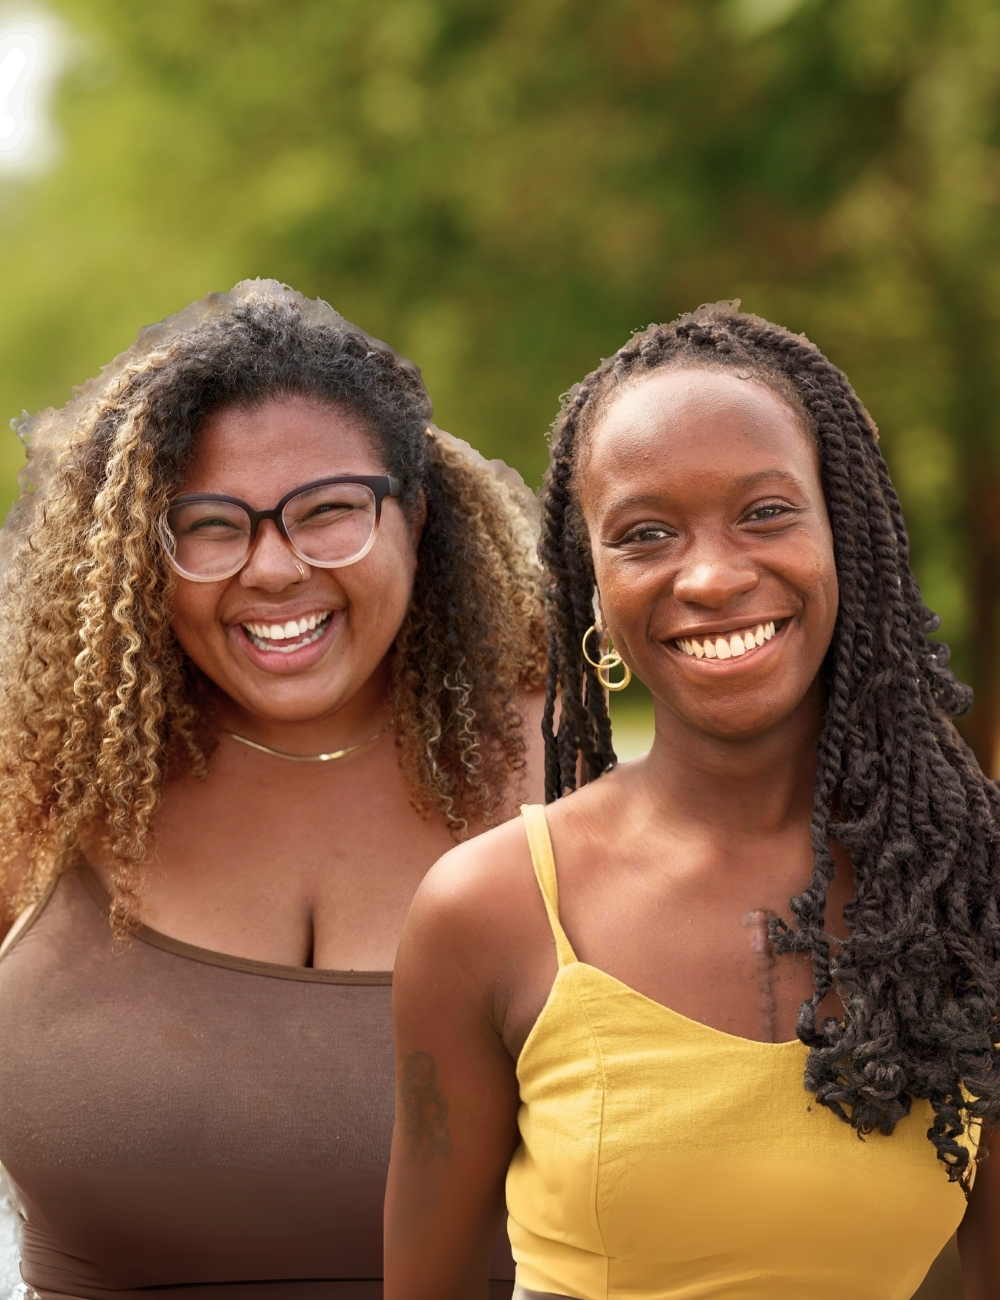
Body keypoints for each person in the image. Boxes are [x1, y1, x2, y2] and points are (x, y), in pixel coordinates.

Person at [385, 305, 1000, 1299]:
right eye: (646, 533)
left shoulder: (969, 887)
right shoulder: (485, 910)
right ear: (591, 586)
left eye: (764, 512)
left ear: (847, 536)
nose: (711, 574)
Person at [0, 280, 545, 1299]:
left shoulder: (556, 764)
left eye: (329, 512)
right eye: (209, 527)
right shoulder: (42, 782)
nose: (273, 568)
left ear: (415, 517)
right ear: (137, 556)